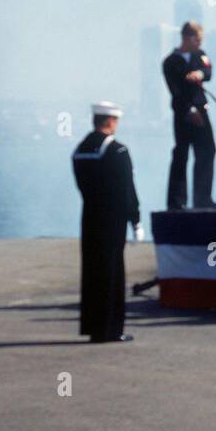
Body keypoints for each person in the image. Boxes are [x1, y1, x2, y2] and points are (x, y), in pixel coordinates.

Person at [72, 101, 143, 343]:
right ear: (111, 121)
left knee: (92, 271)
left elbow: (82, 185)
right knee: (112, 273)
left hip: (90, 215)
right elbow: (126, 189)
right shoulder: (117, 150)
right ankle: (111, 329)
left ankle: (94, 327)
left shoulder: (80, 149)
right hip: (113, 219)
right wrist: (136, 219)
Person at [163, 20, 216, 209]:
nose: (200, 43)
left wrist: (200, 74)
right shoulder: (170, 62)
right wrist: (188, 110)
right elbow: (175, 89)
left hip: (201, 109)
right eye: (197, 39)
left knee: (207, 150)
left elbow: (208, 71)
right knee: (181, 154)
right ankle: (176, 202)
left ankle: (202, 198)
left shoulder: (200, 56)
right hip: (183, 112)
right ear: (186, 37)